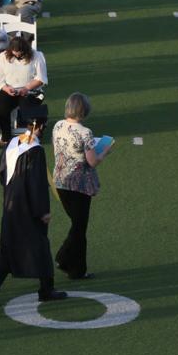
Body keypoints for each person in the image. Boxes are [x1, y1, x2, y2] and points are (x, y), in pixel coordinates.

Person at [0, 120, 67, 308]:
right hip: (28, 209)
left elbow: (1, 172)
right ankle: (46, 290)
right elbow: (37, 184)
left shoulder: (13, 143)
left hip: (10, 204)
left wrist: (11, 191)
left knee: (8, 250)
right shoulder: (35, 151)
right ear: (38, 127)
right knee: (41, 247)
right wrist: (42, 210)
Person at [52, 92, 112, 281]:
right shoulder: (85, 133)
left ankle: (71, 266)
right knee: (79, 227)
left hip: (61, 182)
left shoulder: (58, 125)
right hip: (79, 185)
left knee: (77, 225)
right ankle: (68, 262)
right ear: (84, 110)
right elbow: (92, 161)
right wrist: (105, 151)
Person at [0, 35, 48, 144]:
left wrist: (26, 88)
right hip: (9, 90)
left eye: (20, 52)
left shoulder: (37, 56)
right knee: (1, 105)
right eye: (14, 51)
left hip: (31, 90)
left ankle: (34, 131)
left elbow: (41, 78)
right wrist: (7, 88)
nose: (17, 54)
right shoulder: (2, 57)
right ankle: (6, 134)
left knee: (28, 106)